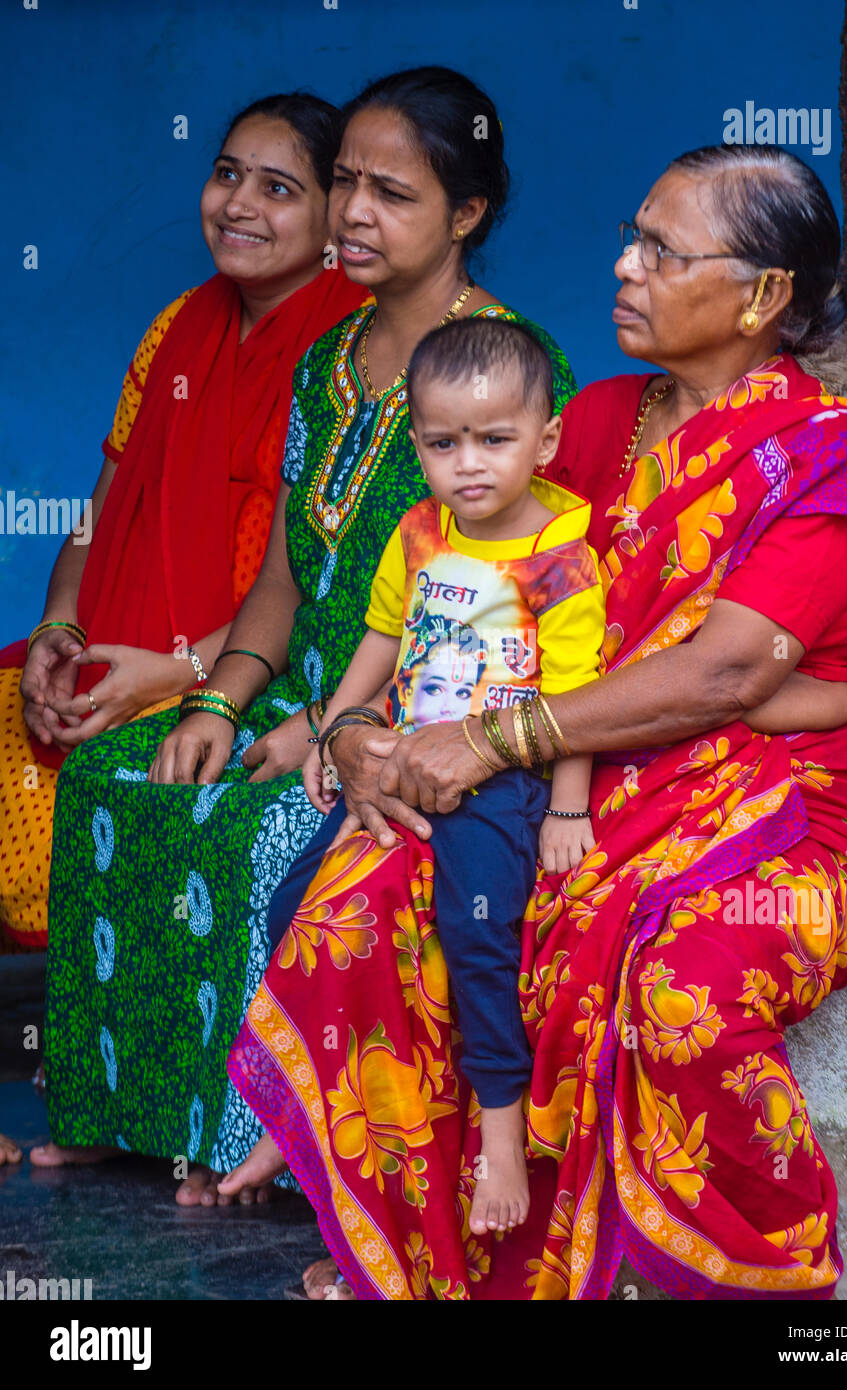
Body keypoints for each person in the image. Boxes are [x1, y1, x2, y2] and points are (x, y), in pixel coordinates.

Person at [225, 143, 847, 1299]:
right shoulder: (598, 419)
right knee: (375, 899)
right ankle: (426, 1243)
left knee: (684, 986)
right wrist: (359, 736)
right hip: (595, 768)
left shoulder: (825, 463)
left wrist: (497, 739)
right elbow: (473, 609)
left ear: (763, 296)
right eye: (634, 235)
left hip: (796, 806)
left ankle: (776, 1287)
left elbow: (724, 678)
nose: (624, 264)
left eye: (662, 251)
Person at [34, 67, 577, 1210]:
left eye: (393, 193)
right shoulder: (328, 365)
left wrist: (335, 730)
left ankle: (240, 1135)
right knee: (110, 781)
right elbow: (286, 569)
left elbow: (519, 608)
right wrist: (220, 702)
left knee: (259, 827)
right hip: (297, 701)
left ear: (466, 214)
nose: (354, 216)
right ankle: (117, 1111)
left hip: (429, 715)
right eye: (345, 185)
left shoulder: (513, 367)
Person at [0, 91, 366, 954]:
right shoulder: (176, 327)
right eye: (227, 173)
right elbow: (102, 508)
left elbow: (314, 576)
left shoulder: (351, 349)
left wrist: (178, 673)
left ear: (330, 223)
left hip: (256, 669)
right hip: (120, 646)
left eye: (277, 189)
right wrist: (61, 626)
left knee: (120, 785)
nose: (237, 202)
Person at [280, 316, 604, 1236]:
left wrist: (565, 808)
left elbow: (580, 695)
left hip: (504, 781)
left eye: (494, 440)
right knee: (298, 900)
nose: (468, 464)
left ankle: (500, 1134)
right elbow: (382, 639)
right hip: (403, 761)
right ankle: (297, 1118)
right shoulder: (419, 532)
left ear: (543, 441)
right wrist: (332, 730)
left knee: (476, 942)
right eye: (442, 442)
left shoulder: (561, 556)